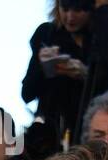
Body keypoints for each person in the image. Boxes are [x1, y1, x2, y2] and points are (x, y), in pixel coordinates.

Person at [22, 1, 99, 148]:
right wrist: (44, 67)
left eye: (78, 10)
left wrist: (86, 75)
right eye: (65, 8)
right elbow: (27, 93)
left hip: (91, 130)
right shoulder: (47, 34)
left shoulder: (99, 39)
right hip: (53, 132)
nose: (70, 17)